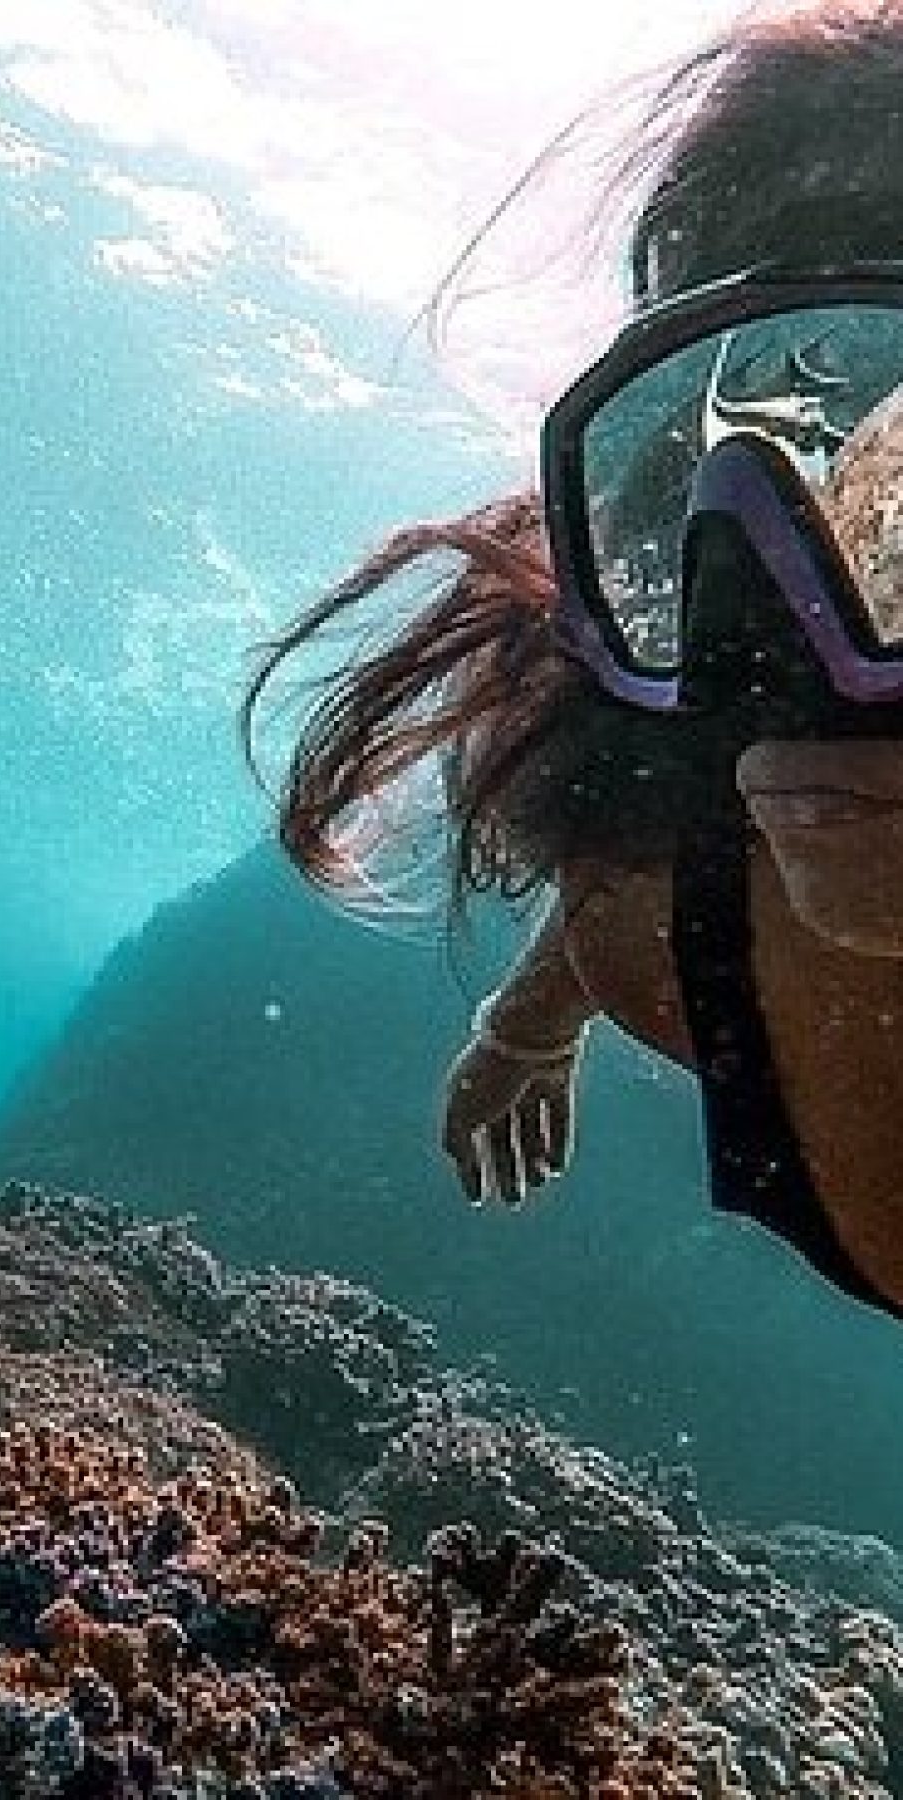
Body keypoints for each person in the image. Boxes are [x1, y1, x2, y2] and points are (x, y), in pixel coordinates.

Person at [242, 1, 903, 1319]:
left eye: (892, 539)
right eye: (688, 503)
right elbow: (632, 846)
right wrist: (531, 1020)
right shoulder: (655, 916)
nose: (761, 641)